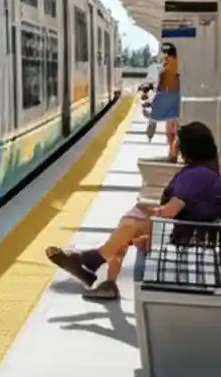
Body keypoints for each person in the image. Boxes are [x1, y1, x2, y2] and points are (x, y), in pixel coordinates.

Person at [45, 121, 221, 299]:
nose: (174, 143)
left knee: (132, 224)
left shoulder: (196, 175)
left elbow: (170, 211)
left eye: (178, 141)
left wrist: (150, 213)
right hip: (196, 233)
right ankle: (104, 277)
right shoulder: (207, 171)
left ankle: (94, 262)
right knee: (131, 223)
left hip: (187, 236)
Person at [152, 43, 181, 161]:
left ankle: (172, 152)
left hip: (170, 100)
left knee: (171, 130)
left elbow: (160, 87)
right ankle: (173, 152)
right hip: (178, 99)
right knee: (176, 129)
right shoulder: (179, 66)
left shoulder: (165, 69)